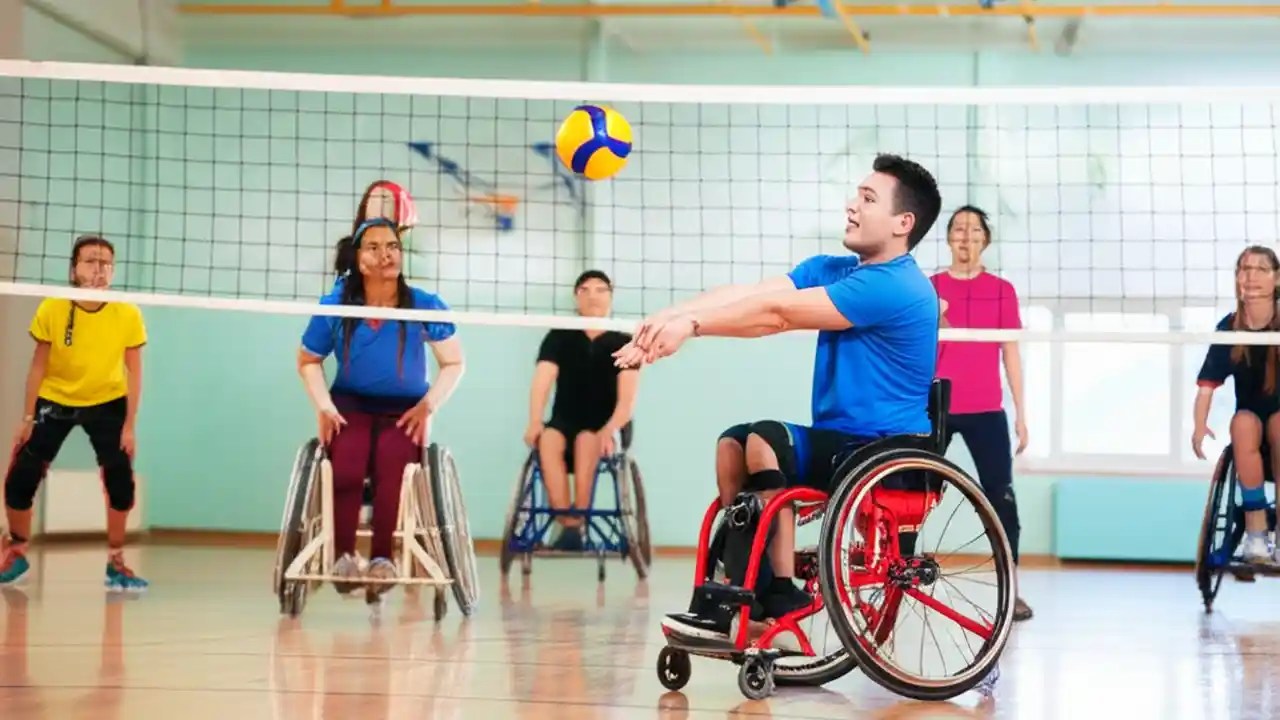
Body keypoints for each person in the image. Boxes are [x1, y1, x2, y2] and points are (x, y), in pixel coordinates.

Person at [614, 153, 942, 636]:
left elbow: (776, 315)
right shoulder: (837, 270)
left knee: (765, 440)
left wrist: (693, 326)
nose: (852, 206)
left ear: (903, 222)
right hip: (844, 441)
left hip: (886, 449)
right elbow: (750, 293)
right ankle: (737, 590)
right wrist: (670, 316)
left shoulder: (897, 286)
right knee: (733, 442)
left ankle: (780, 593)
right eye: (856, 194)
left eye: (868, 199)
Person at [298, 217, 465, 595]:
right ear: (358, 259)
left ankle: (382, 560)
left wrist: (428, 406)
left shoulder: (424, 305)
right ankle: (342, 558)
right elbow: (308, 360)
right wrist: (324, 407)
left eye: (392, 246)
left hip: (404, 407)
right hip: (350, 403)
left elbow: (454, 363)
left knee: (393, 463)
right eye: (373, 247)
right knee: (349, 461)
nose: (385, 254)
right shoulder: (337, 305)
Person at [0, 235, 148, 591]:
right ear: (74, 269)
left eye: (106, 263)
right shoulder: (53, 307)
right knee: (20, 479)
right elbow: (38, 367)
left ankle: (116, 562)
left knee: (120, 482)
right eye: (91, 261)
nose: (100, 269)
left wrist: (129, 426)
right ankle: (17, 550)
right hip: (56, 400)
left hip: (107, 402)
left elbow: (135, 372)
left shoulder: (127, 312)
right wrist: (26, 419)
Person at [930, 205, 1033, 622]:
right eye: (958, 229)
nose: (965, 236)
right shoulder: (930, 286)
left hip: (987, 408)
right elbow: (917, 351)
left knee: (1001, 499)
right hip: (937, 402)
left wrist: (1022, 413)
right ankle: (894, 579)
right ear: (949, 238)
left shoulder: (1002, 290)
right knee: (912, 490)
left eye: (974, 230)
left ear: (984, 239)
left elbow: (1010, 351)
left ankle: (1012, 591)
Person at [524, 270, 639, 551]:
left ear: (610, 295)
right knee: (549, 440)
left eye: (600, 289)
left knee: (588, 439)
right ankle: (568, 524)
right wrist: (535, 421)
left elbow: (626, 404)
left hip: (608, 424)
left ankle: (581, 519)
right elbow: (542, 383)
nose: (592, 296)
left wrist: (610, 430)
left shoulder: (623, 341)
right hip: (565, 420)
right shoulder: (560, 336)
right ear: (576, 297)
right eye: (585, 290)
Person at [1193, 245, 1280, 564]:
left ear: (1276, 279)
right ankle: (1256, 534)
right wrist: (1199, 426)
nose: (1251, 276)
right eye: (1244, 269)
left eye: (1260, 269)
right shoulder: (1230, 327)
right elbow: (1206, 386)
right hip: (1250, 426)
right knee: (1242, 423)